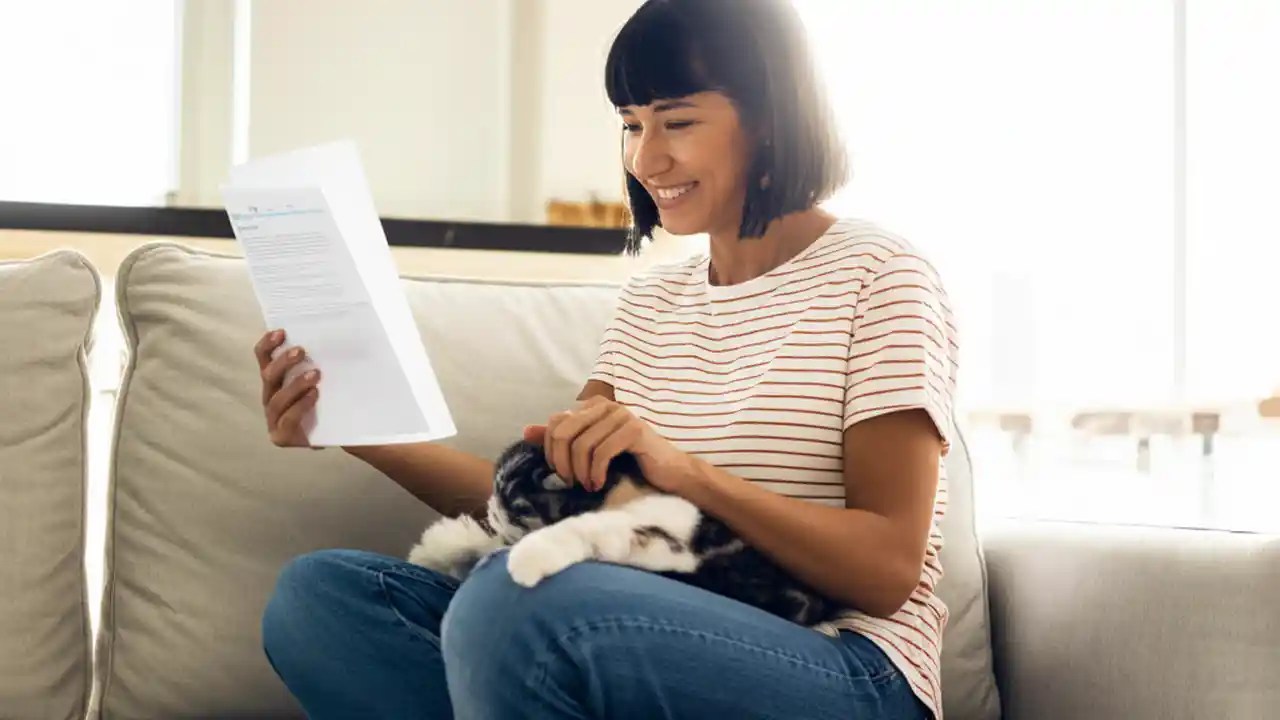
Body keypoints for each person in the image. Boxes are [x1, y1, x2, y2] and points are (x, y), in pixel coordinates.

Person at [258, 0, 957, 717]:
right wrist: (354, 428)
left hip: (847, 667)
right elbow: (541, 510)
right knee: (323, 599)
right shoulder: (649, 303)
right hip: (648, 630)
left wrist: (687, 475)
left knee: (516, 600)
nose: (645, 158)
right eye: (630, 125)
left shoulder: (880, 274)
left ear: (771, 116)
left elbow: (887, 569)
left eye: (677, 121)